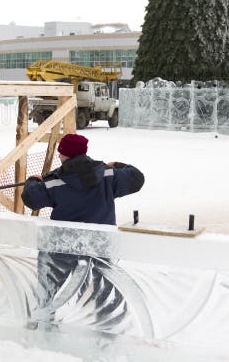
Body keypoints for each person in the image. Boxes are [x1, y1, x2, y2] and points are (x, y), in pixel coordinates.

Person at [19, 133, 144, 327]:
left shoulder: (55, 182)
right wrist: (116, 165)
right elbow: (137, 178)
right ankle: (107, 325)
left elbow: (30, 198)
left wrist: (33, 181)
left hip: (62, 245)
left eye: (61, 153)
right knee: (103, 287)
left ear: (64, 155)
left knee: (49, 285)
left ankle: (43, 321)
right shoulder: (107, 176)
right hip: (99, 245)